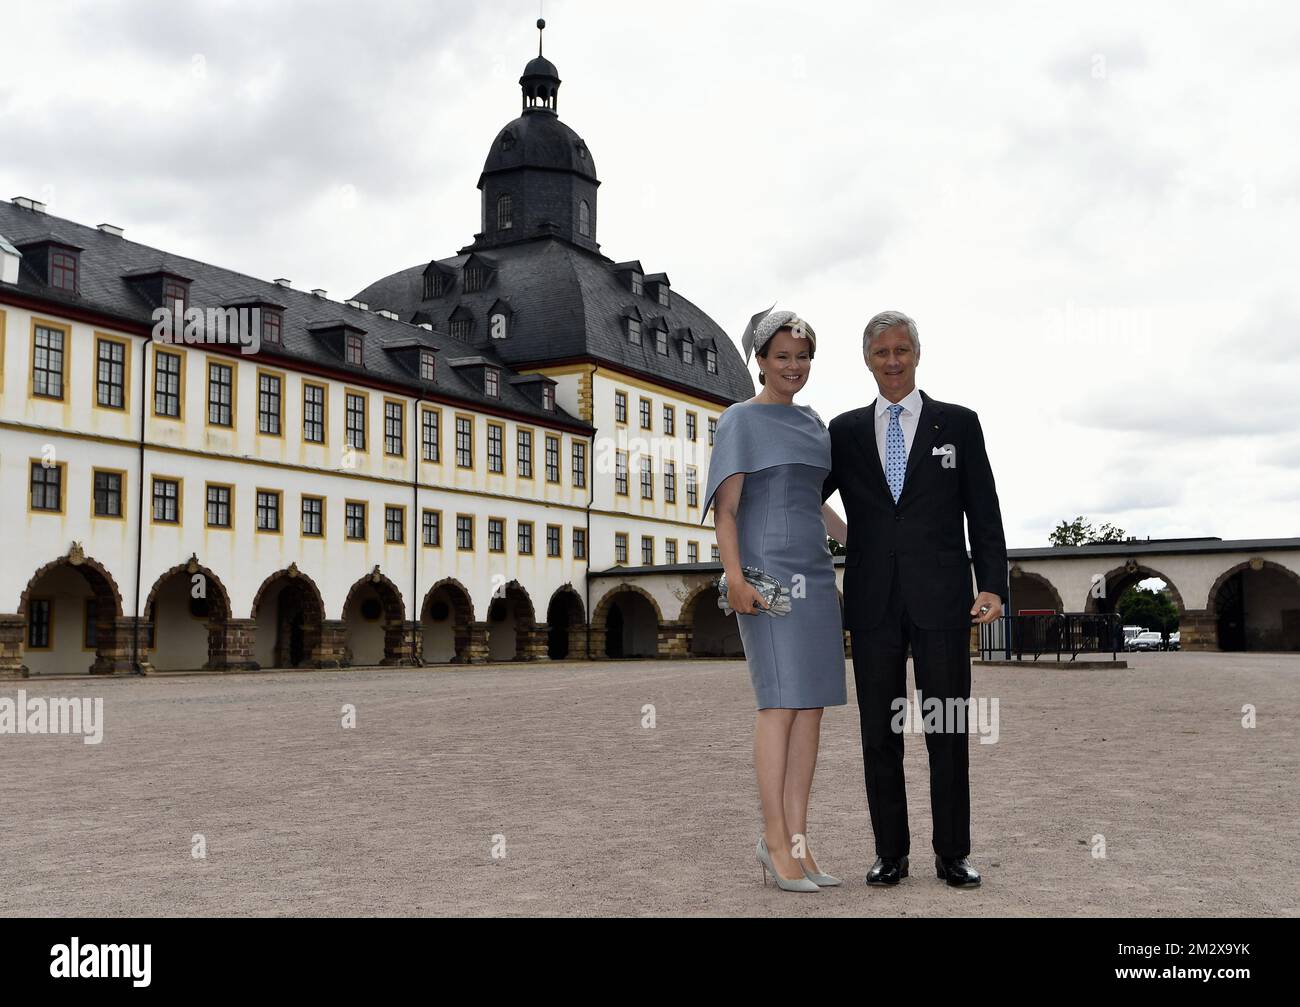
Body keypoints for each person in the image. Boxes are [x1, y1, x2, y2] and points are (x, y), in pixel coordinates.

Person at [821, 310, 1008, 889]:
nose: (893, 360)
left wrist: (994, 583)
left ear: (917, 354)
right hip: (873, 601)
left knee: (946, 727)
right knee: (879, 733)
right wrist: (845, 538)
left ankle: (953, 854)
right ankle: (890, 853)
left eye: (902, 349)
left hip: (945, 600)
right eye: (882, 352)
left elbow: (984, 510)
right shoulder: (844, 431)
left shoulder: (959, 423)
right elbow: (803, 496)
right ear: (867, 360)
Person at [701, 308, 851, 893]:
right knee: (779, 706)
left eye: (803, 357)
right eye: (783, 356)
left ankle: (799, 842)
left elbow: (814, 503)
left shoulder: (816, 424)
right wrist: (734, 577)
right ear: (759, 360)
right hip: (765, 579)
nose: (794, 367)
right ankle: (771, 840)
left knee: (810, 709)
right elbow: (728, 508)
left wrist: (866, 543)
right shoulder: (740, 419)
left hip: (814, 576)